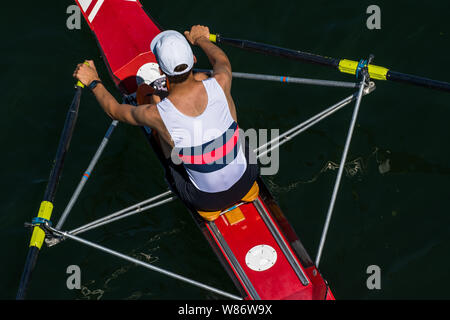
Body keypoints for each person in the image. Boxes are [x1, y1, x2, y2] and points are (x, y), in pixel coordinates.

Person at [73, 25, 259, 216]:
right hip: (248, 177)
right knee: (218, 101)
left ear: (161, 69)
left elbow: (114, 111)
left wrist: (93, 81)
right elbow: (221, 60)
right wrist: (201, 39)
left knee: (151, 100)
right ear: (194, 59)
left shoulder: (156, 114)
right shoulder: (222, 81)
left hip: (206, 200)